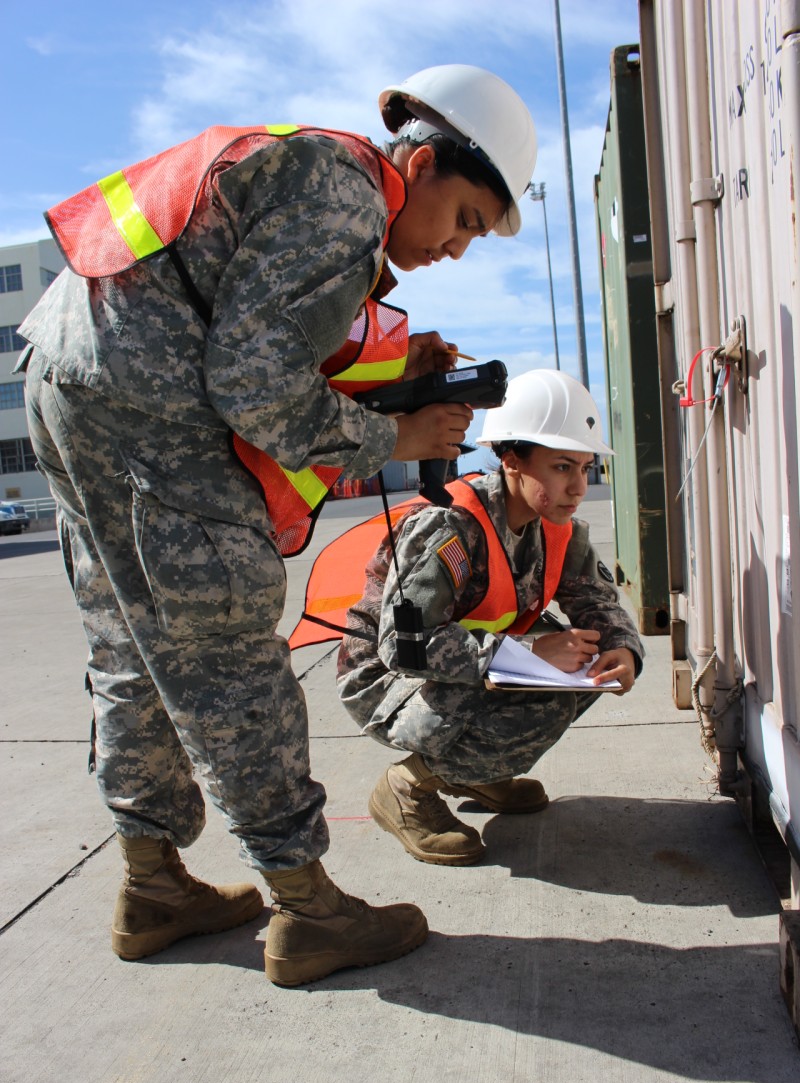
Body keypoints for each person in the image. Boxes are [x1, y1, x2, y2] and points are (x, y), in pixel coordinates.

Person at [16, 65, 538, 987]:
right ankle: (305, 906)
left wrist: (394, 370)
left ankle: (153, 885)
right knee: (224, 645)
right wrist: (390, 434)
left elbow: (252, 325)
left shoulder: (310, 174)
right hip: (149, 405)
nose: (457, 250)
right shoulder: (346, 199)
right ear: (419, 164)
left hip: (71, 378)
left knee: (133, 645)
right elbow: (254, 384)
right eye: (463, 219)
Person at [336, 370, 645, 866]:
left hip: (459, 665)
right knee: (542, 701)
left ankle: (478, 772)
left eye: (585, 468)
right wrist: (524, 654)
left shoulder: (558, 529)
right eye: (562, 467)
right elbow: (405, 646)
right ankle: (407, 786)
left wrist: (622, 649)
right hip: (386, 679)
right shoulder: (450, 527)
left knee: (579, 672)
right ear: (512, 460)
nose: (577, 487)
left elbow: (599, 602)